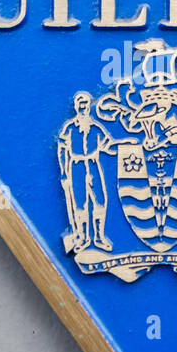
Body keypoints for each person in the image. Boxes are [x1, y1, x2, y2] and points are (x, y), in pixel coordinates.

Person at [57, 92, 114, 253]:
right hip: (76, 167)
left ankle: (99, 237)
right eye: (80, 103)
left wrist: (126, 146)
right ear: (75, 106)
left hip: (93, 165)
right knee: (80, 204)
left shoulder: (96, 128)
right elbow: (61, 150)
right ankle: (82, 238)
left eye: (85, 103)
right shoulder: (69, 128)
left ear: (89, 106)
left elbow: (108, 147)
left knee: (100, 202)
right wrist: (63, 172)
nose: (83, 106)